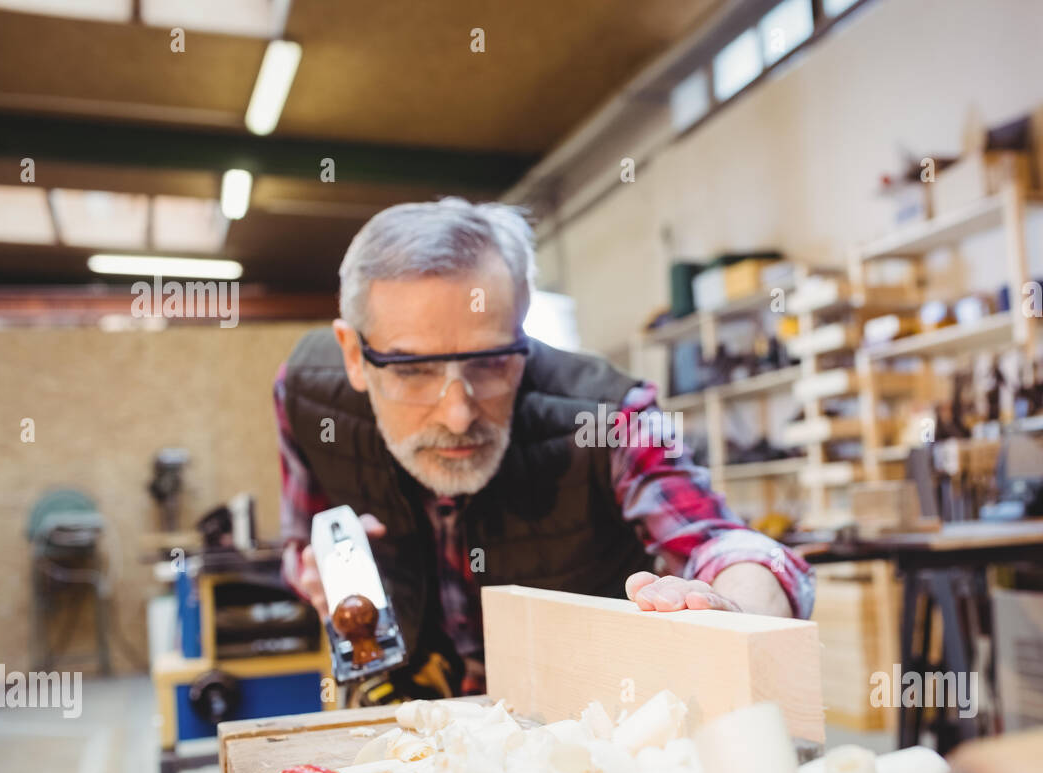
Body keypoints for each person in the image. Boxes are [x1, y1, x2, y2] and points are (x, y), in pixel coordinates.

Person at [275, 198, 814, 702]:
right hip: (402, 707)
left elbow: (724, 544)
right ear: (353, 354)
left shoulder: (605, 415)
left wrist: (737, 609)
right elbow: (302, 539)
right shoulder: (306, 398)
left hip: (576, 727)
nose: (458, 414)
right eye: (413, 370)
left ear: (522, 323)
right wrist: (313, 571)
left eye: (490, 361)